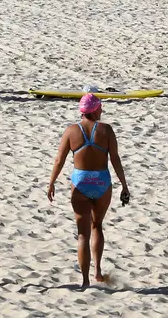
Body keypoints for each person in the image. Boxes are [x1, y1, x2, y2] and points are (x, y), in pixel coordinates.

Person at [46, 94, 130, 290]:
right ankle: (97, 271)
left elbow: (59, 160)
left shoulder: (71, 131)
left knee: (82, 234)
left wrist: (51, 182)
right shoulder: (106, 130)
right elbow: (115, 158)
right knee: (97, 226)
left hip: (81, 182)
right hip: (101, 181)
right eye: (100, 107)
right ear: (94, 110)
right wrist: (124, 184)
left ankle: (85, 280)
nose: (101, 110)